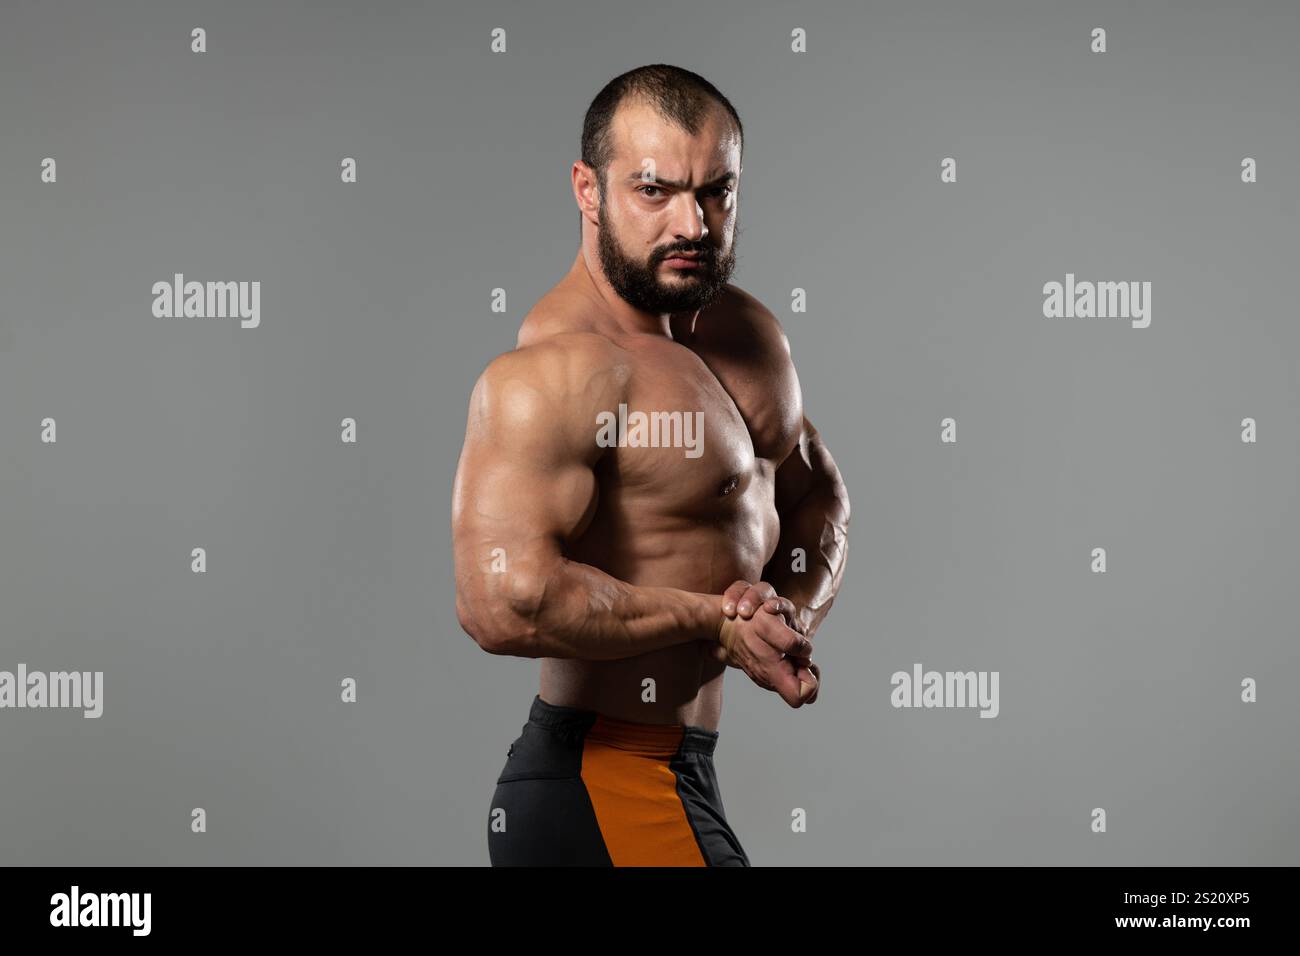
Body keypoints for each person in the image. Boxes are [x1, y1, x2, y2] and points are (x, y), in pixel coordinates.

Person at [452, 64, 850, 866]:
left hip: (684, 769)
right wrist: (715, 621)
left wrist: (791, 616)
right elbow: (505, 602)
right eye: (654, 191)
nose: (693, 223)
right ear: (588, 190)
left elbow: (818, 497)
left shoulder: (747, 335)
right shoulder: (555, 375)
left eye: (715, 193)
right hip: (603, 774)